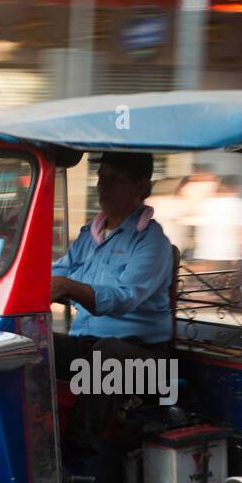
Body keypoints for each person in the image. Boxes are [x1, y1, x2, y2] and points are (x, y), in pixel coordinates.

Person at [51, 151, 172, 453]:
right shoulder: (89, 235)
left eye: (115, 180)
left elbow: (124, 298)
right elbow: (59, 273)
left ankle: (81, 456)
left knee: (107, 355)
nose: (102, 186)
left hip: (150, 364)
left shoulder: (152, 242)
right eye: (101, 177)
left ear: (141, 188)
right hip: (87, 347)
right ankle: (36, 439)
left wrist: (69, 287)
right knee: (33, 343)